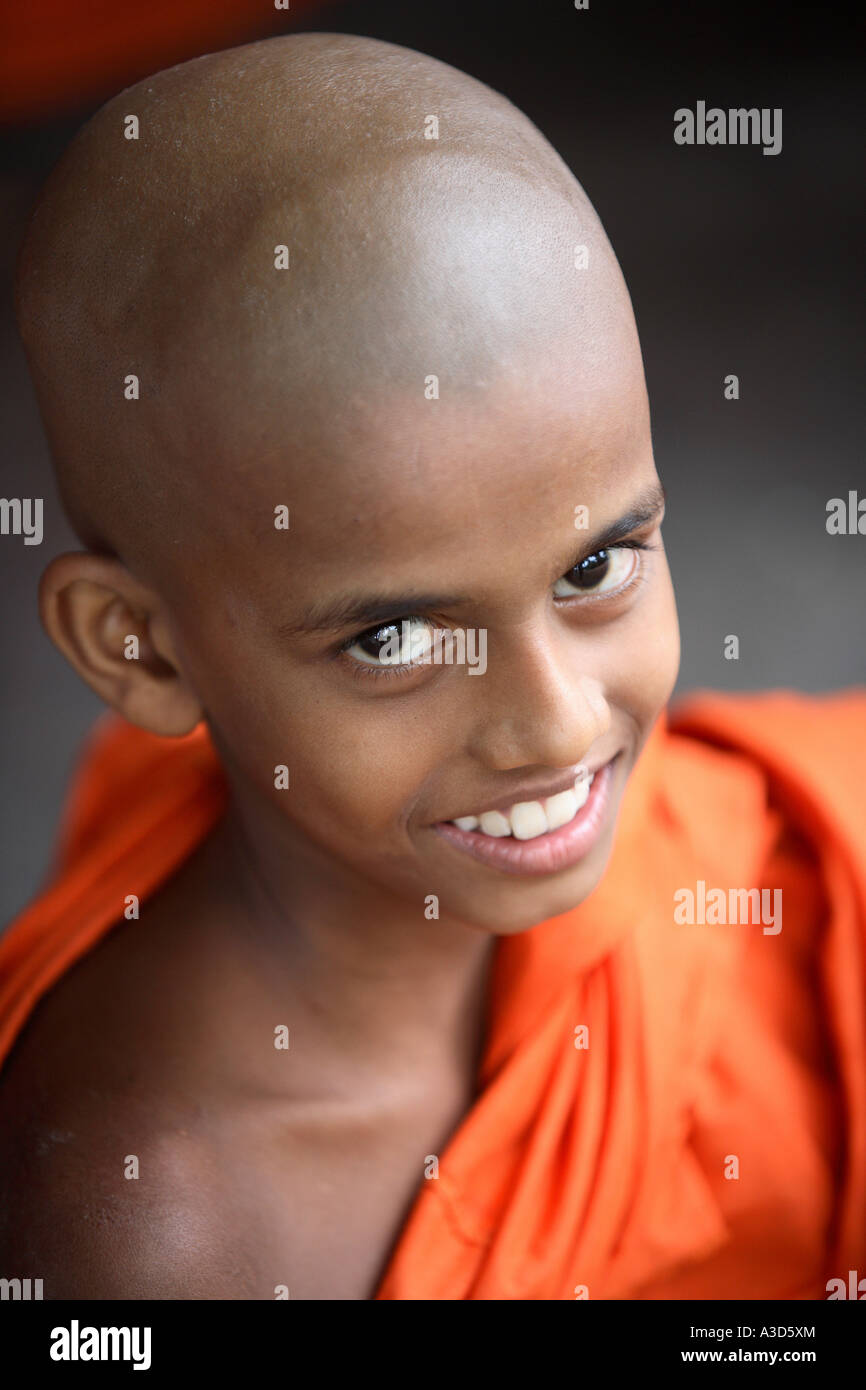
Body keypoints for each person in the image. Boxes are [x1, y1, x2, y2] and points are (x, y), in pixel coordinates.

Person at [1, 32, 863, 1300]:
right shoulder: (154, 1230)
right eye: (391, 639)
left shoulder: (768, 865)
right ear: (138, 648)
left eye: (592, 567)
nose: (557, 725)